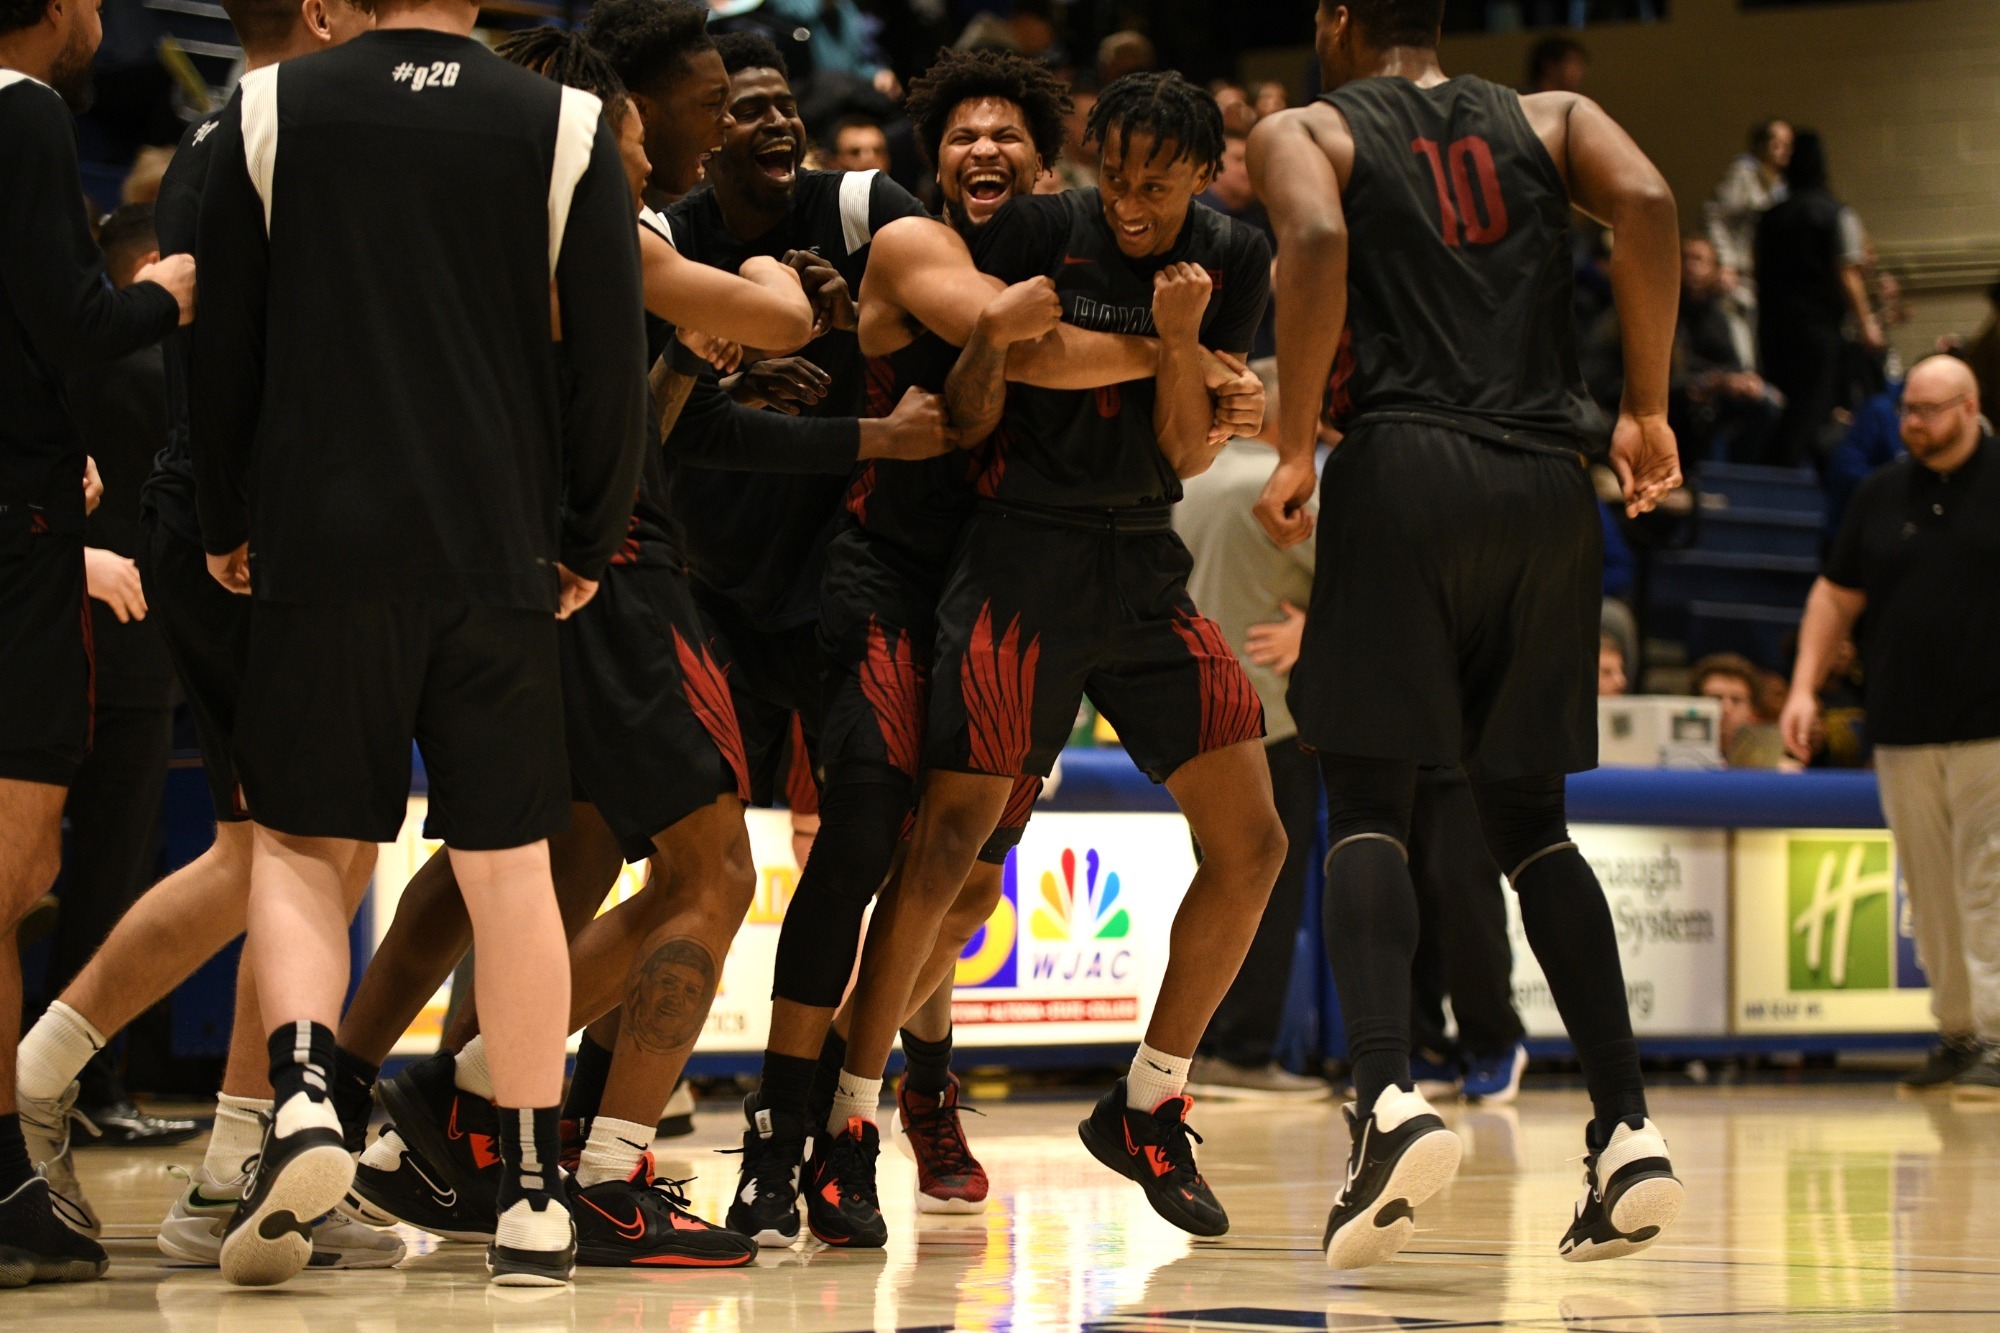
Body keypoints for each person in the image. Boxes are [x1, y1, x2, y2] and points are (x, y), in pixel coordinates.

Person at [189, 0, 649, 1285]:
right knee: (509, 868)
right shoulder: (562, 120)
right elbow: (610, 360)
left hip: (319, 543)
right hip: (496, 548)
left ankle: (298, 1101)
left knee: (297, 842)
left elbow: (224, 339)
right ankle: (537, 1192)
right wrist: (587, 537)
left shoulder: (273, 104)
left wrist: (229, 517)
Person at [727, 44, 1208, 1246]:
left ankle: (922, 1081)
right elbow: (1015, 342)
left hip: (1012, 586)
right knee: (871, 837)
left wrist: (1206, 373)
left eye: (1006, 137)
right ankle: (798, 1127)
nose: (981, 151)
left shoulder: (1079, 252)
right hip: (891, 571)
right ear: (929, 157)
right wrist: (1184, 344)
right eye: (959, 136)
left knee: (961, 884)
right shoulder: (914, 246)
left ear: (1046, 166)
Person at [1252, 0, 1685, 1270]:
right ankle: (1624, 1128)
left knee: (1368, 803)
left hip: (1407, 463)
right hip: (1547, 484)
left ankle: (1384, 1096)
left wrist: (1289, 443)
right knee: (1530, 822)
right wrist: (1644, 409)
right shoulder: (1548, 116)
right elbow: (1651, 203)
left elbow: (1317, 236)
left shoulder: (1310, 125)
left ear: (1334, 17)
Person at [833, 69, 1281, 1248]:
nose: (1129, 204)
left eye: (1155, 183)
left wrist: (1186, 354)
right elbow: (1020, 362)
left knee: (1254, 842)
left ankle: (1148, 1099)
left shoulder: (1235, 252)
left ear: (1199, 173)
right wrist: (1169, 343)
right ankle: (846, 1114)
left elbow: (1187, 452)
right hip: (1018, 552)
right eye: (1116, 177)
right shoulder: (1041, 225)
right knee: (946, 850)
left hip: (1140, 560)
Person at [14, 0, 398, 1277]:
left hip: (261, 520)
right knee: (300, 844)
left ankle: (232, 1156)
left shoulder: (257, 125)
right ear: (333, 15)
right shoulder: (262, 132)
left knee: (286, 850)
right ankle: (119, 1107)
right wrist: (240, 523)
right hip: (249, 526)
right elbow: (235, 355)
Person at [1, 0, 194, 1283]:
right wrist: (165, 296)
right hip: (15, 544)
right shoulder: (17, 111)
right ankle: (11, 1162)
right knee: (9, 879)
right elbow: (75, 323)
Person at [1782, 355, 2000, 1102]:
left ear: (1969, 408)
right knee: (1929, 885)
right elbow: (1836, 596)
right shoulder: (1879, 494)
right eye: (1907, 408)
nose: (1913, 423)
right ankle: (1957, 1033)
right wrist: (1804, 688)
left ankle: (1999, 1037)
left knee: (1990, 879)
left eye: (1930, 410)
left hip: (1991, 728)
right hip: (1903, 727)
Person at [46, 204, 198, 1149]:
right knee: (106, 870)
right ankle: (86, 1080)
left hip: (103, 641)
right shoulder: (144, 367)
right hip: (120, 644)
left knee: (84, 870)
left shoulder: (68, 357)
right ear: (152, 268)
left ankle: (76, 1077)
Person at [1172, 401, 1328, 1102]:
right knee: (1266, 885)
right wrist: (1314, 629)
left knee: (1211, 882)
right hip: (1271, 713)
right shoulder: (1289, 488)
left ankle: (1194, 1044)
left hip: (1193, 712)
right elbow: (1369, 588)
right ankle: (1245, 1049)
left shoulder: (1187, 481)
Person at [1755, 129, 1882, 467]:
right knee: (1812, 409)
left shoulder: (1770, 218)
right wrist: (1867, 322)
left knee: (1791, 404)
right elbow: (1847, 272)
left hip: (1773, 329)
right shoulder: (1834, 212)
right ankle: (1784, 479)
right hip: (1818, 329)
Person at [1674, 234, 1780, 464]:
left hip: (1715, 388)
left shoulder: (1717, 315)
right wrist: (1716, 380)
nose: (1691, 267)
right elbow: (1676, 362)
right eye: (1685, 259)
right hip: (1676, 389)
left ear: (1715, 269)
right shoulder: (1666, 310)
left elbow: (1730, 360)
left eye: (1699, 260)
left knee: (1765, 401)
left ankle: (1739, 480)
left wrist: (1740, 380)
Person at [1705, 118, 1792, 279]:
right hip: (1742, 270)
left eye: (1788, 145)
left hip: (1770, 271)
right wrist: (1727, 262)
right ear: (1762, 144)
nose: (1784, 150)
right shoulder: (1743, 173)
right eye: (1777, 143)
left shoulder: (1783, 183)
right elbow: (1717, 217)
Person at [1692, 653, 1790, 769]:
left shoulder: (1778, 769)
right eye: (1715, 698)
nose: (1726, 708)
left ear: (1753, 711)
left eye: (1736, 700)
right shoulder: (1673, 765)